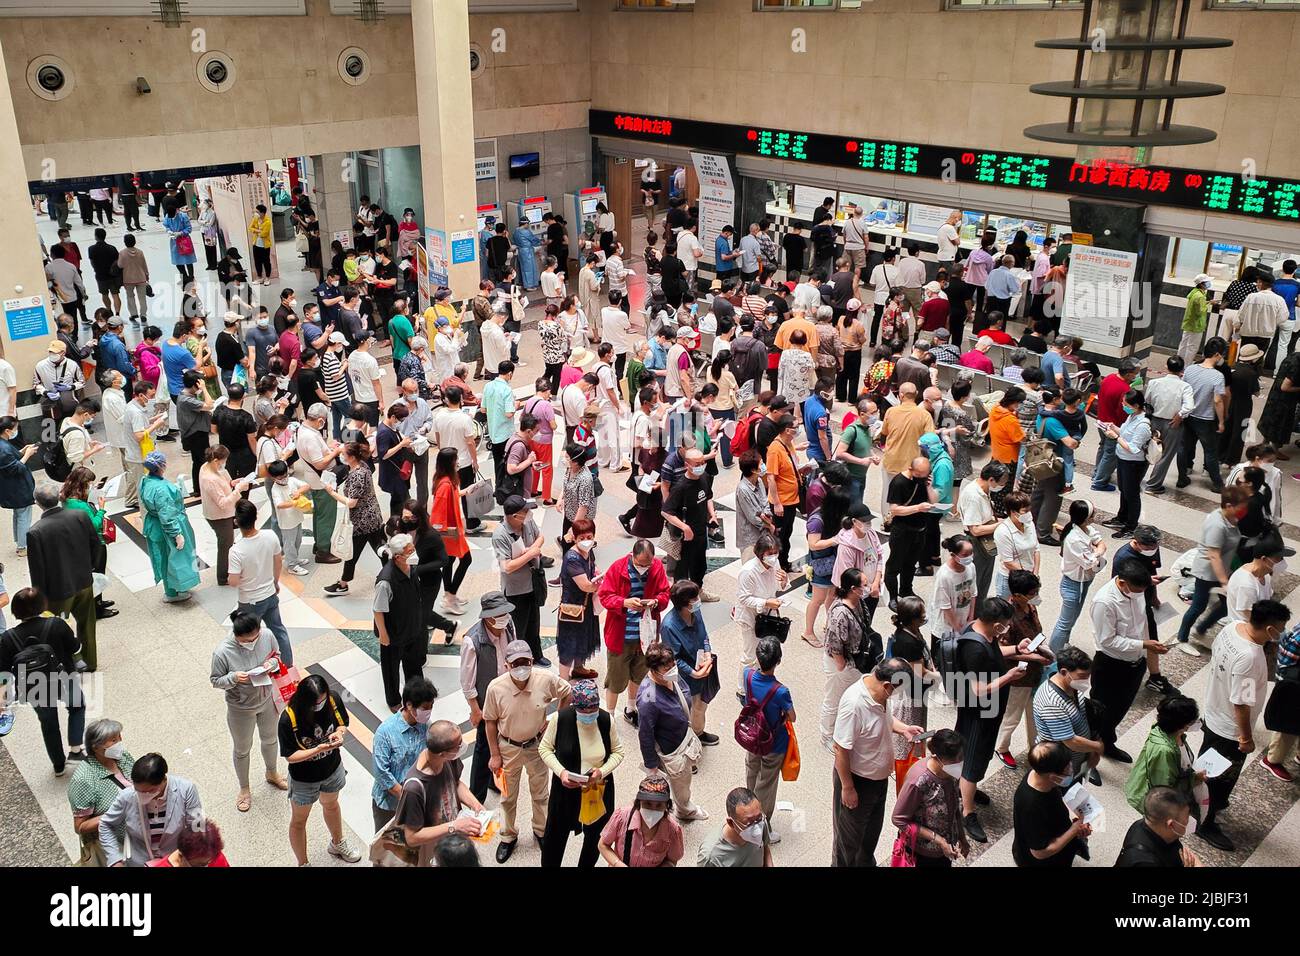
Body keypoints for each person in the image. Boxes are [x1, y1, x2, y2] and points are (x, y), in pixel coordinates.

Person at [1197, 598, 1285, 852]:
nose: (1281, 633)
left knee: (1207, 765)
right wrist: (1245, 738)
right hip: (1229, 730)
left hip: (1214, 712)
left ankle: (1204, 803)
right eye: (1279, 628)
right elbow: (1241, 704)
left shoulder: (1232, 626)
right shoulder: (1251, 657)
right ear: (1270, 629)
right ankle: (1205, 821)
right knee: (1220, 777)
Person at [483, 640, 572, 863]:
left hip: (537, 747)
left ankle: (541, 830)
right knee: (507, 796)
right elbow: (490, 722)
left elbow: (568, 692)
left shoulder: (545, 679)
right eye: (516, 663)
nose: (521, 667)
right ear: (507, 665)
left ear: (532, 661)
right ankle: (508, 836)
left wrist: (553, 724)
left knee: (540, 792)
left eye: (525, 662)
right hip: (508, 748)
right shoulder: (496, 687)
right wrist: (494, 754)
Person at [951, 597, 1030, 843]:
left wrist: (1017, 649)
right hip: (979, 712)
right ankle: (967, 811)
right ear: (996, 625)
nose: (1006, 629)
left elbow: (994, 654)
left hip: (988, 710)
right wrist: (1009, 676)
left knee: (979, 754)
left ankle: (968, 791)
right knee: (973, 759)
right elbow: (978, 689)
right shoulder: (974, 648)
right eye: (1005, 625)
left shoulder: (983, 634)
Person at [833, 658, 923, 867]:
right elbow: (840, 749)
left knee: (869, 836)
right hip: (858, 782)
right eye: (899, 690)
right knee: (848, 842)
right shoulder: (854, 704)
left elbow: (885, 720)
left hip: (878, 780)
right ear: (887, 685)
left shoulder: (881, 694)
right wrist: (848, 788)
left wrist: (903, 728)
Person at [538, 678, 624, 867]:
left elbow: (618, 752)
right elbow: (544, 749)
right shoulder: (561, 719)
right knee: (555, 836)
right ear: (575, 706)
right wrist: (561, 772)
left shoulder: (604, 720)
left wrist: (601, 771)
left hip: (597, 789)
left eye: (593, 709)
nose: (589, 714)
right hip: (566, 789)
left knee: (595, 836)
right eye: (584, 711)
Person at [209, 609, 288, 813]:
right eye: (247, 640)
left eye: (256, 636)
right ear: (236, 636)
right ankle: (244, 788)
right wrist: (234, 678)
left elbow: (276, 655)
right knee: (242, 749)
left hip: (267, 699)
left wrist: (271, 664)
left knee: (270, 739)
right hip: (240, 707)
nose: (253, 641)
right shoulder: (222, 652)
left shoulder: (267, 635)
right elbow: (215, 680)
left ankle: (272, 773)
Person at [0, 586, 85, 774]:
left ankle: (58, 764)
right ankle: (76, 750)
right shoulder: (56, 624)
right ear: (42, 605)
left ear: (15, 610)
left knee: (48, 723)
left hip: (33, 687)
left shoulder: (8, 638)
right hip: (64, 678)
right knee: (77, 707)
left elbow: (4, 672)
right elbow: (75, 648)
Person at [278, 674, 361, 865]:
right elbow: (290, 755)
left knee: (331, 804)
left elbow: (342, 724)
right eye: (316, 703)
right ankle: (303, 862)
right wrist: (316, 749)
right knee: (299, 820)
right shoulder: (288, 719)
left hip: (332, 769)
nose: (320, 705)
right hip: (304, 780)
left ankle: (337, 842)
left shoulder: (332, 700)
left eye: (323, 700)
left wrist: (339, 735)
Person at [1090, 559, 1168, 763]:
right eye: (1135, 589)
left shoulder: (1138, 588)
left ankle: (1107, 743)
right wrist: (1144, 645)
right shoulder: (1105, 602)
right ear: (1122, 582)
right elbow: (1107, 640)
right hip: (1110, 664)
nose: (1138, 593)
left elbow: (1141, 617)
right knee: (1099, 711)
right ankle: (1088, 754)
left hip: (1135, 662)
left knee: (1119, 708)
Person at [388, 719, 485, 866]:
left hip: (455, 837)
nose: (462, 746)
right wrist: (454, 826)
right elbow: (412, 837)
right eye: (458, 745)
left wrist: (475, 804)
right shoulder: (414, 788)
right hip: (433, 850)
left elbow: (456, 783)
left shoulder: (448, 758)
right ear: (442, 753)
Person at [25, 483, 98, 669]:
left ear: (37, 503)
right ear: (58, 497)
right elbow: (95, 543)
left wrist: (39, 598)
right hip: (84, 582)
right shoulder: (80, 515)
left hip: (57, 593)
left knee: (54, 630)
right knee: (87, 625)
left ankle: (65, 664)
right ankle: (89, 662)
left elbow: (37, 570)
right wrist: (90, 567)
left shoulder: (35, 531)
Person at [1175, 486, 1249, 655]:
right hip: (1208, 572)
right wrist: (1224, 581)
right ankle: (1182, 638)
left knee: (1227, 605)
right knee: (1198, 606)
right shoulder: (1217, 524)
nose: (1244, 510)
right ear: (1229, 505)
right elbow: (1213, 555)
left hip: (1222, 569)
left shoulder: (1229, 518)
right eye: (1241, 506)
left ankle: (1200, 629)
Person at [994, 571, 1055, 769]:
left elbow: (1037, 632)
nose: (1036, 595)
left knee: (1035, 712)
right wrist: (1032, 657)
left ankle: (1036, 746)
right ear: (1018, 595)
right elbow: (1002, 651)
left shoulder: (1030, 608)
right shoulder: (1007, 617)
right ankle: (1001, 747)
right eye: (1032, 592)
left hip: (1036, 672)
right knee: (1012, 715)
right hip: (1017, 676)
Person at [98, 752, 203, 867]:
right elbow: (105, 825)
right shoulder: (127, 796)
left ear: (163, 780)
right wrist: (114, 859)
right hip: (139, 863)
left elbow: (197, 828)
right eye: (138, 790)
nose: (142, 795)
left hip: (174, 861)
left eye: (149, 791)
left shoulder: (186, 790)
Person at [891, 729, 969, 867]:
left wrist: (962, 838)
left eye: (961, 757)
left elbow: (955, 806)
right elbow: (898, 819)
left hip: (944, 850)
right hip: (921, 855)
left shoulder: (950, 773)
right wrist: (938, 840)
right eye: (955, 760)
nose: (959, 763)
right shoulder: (919, 781)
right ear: (937, 757)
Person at [370, 675, 437, 831]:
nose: (428, 712)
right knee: (387, 847)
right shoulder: (385, 732)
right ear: (409, 705)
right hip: (390, 804)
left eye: (431, 706)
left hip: (418, 797)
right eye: (424, 708)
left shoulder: (426, 725)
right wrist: (406, 797)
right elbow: (381, 773)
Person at [322, 442, 387, 598]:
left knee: (354, 553)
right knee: (381, 549)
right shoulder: (362, 466)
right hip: (373, 517)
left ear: (351, 457)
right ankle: (392, 574)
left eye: (343, 454)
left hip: (362, 521)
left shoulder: (358, 475)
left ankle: (343, 584)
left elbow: (352, 502)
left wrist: (332, 493)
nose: (341, 456)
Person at [65, 718, 133, 866]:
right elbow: (80, 827)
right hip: (115, 845)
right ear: (95, 747)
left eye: (119, 737)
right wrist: (117, 812)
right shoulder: (84, 780)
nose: (119, 743)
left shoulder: (122, 757)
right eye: (113, 740)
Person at [1012, 741, 1091, 868]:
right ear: (1053, 776)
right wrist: (1074, 829)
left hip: (1059, 841)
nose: (1071, 770)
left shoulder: (1036, 774)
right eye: (1067, 769)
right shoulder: (1032, 807)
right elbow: (1040, 853)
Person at [1125, 693, 1204, 818]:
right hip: (1154, 803)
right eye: (1192, 721)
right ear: (1183, 725)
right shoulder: (1164, 752)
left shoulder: (1168, 732)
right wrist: (1194, 779)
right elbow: (1164, 788)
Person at [1050, 500, 1106, 652]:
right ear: (1085, 518)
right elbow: (1090, 563)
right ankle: (1053, 654)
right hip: (1073, 585)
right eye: (1092, 514)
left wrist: (1096, 551)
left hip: (1083, 582)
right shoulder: (1074, 539)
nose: (1095, 516)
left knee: (1072, 619)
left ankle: (1062, 646)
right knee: (1065, 622)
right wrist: (1097, 552)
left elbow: (1101, 544)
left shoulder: (1085, 529)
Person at [597, 773, 684, 868]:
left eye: (659, 805)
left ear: (667, 806)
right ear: (639, 803)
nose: (653, 809)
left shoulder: (672, 830)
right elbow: (603, 845)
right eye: (648, 804)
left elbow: (672, 860)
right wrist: (617, 864)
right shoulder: (622, 817)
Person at [1176, 337, 1228, 492]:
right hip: (1205, 419)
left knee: (1184, 448)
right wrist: (1221, 421)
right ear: (1217, 355)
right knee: (1210, 452)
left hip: (1188, 416)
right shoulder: (1218, 376)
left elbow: (1183, 390)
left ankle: (1181, 478)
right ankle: (1218, 484)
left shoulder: (1191, 368)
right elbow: (1218, 401)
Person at [884, 456, 937, 605]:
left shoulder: (924, 481)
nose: (922, 477)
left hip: (920, 529)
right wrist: (918, 508)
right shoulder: (899, 482)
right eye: (919, 475)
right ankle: (893, 597)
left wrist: (929, 486)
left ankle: (906, 590)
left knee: (910, 563)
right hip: (902, 530)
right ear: (911, 469)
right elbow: (894, 509)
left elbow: (934, 501)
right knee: (894, 565)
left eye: (925, 474)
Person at [1116, 787, 1203, 868]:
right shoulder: (1145, 861)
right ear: (1171, 824)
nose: (1189, 822)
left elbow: (1185, 854)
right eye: (1186, 821)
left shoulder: (1150, 826)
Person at [697, 787, 774, 868]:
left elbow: (765, 847)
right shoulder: (711, 857)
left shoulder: (760, 822)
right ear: (731, 823)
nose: (757, 829)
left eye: (758, 817)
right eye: (749, 823)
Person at [0, 416, 35, 556]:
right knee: (23, 515)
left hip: (13, 488)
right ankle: (22, 546)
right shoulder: (3, 448)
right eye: (15, 429)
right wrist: (27, 455)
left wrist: (21, 452)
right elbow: (15, 468)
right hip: (17, 488)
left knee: (19, 514)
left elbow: (11, 460)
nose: (16, 431)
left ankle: (19, 542)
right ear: (7, 431)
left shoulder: (4, 444)